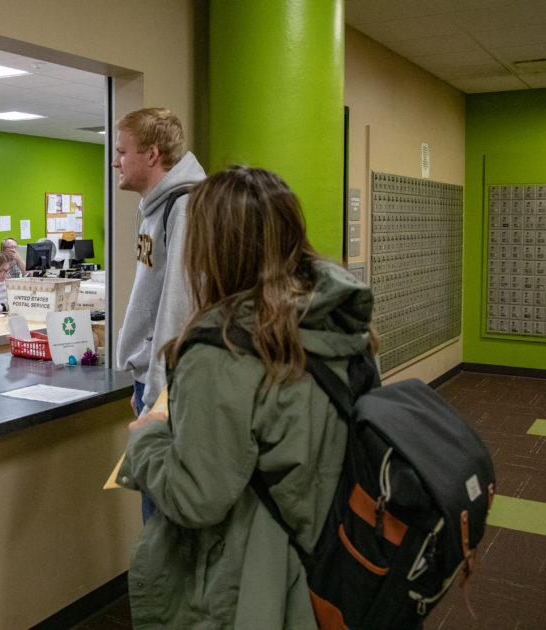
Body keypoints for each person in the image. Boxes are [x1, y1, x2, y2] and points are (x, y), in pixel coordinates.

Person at [114, 166, 377, 628]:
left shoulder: (223, 350)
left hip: (259, 580)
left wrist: (147, 439)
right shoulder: (339, 322)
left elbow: (197, 496)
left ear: (210, 248)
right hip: (335, 548)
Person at [112, 108, 206, 418]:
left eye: (122, 152)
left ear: (152, 154)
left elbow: (178, 309)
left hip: (169, 386)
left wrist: (156, 393)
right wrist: (144, 381)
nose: (115, 162)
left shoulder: (184, 209)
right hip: (150, 377)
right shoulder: (155, 208)